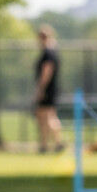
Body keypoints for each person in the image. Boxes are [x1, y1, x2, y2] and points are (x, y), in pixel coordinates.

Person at [33, 24, 63, 152]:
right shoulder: (52, 51)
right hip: (51, 88)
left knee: (47, 116)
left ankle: (56, 143)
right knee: (47, 116)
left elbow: (46, 72)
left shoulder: (48, 53)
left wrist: (40, 89)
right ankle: (46, 144)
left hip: (47, 89)